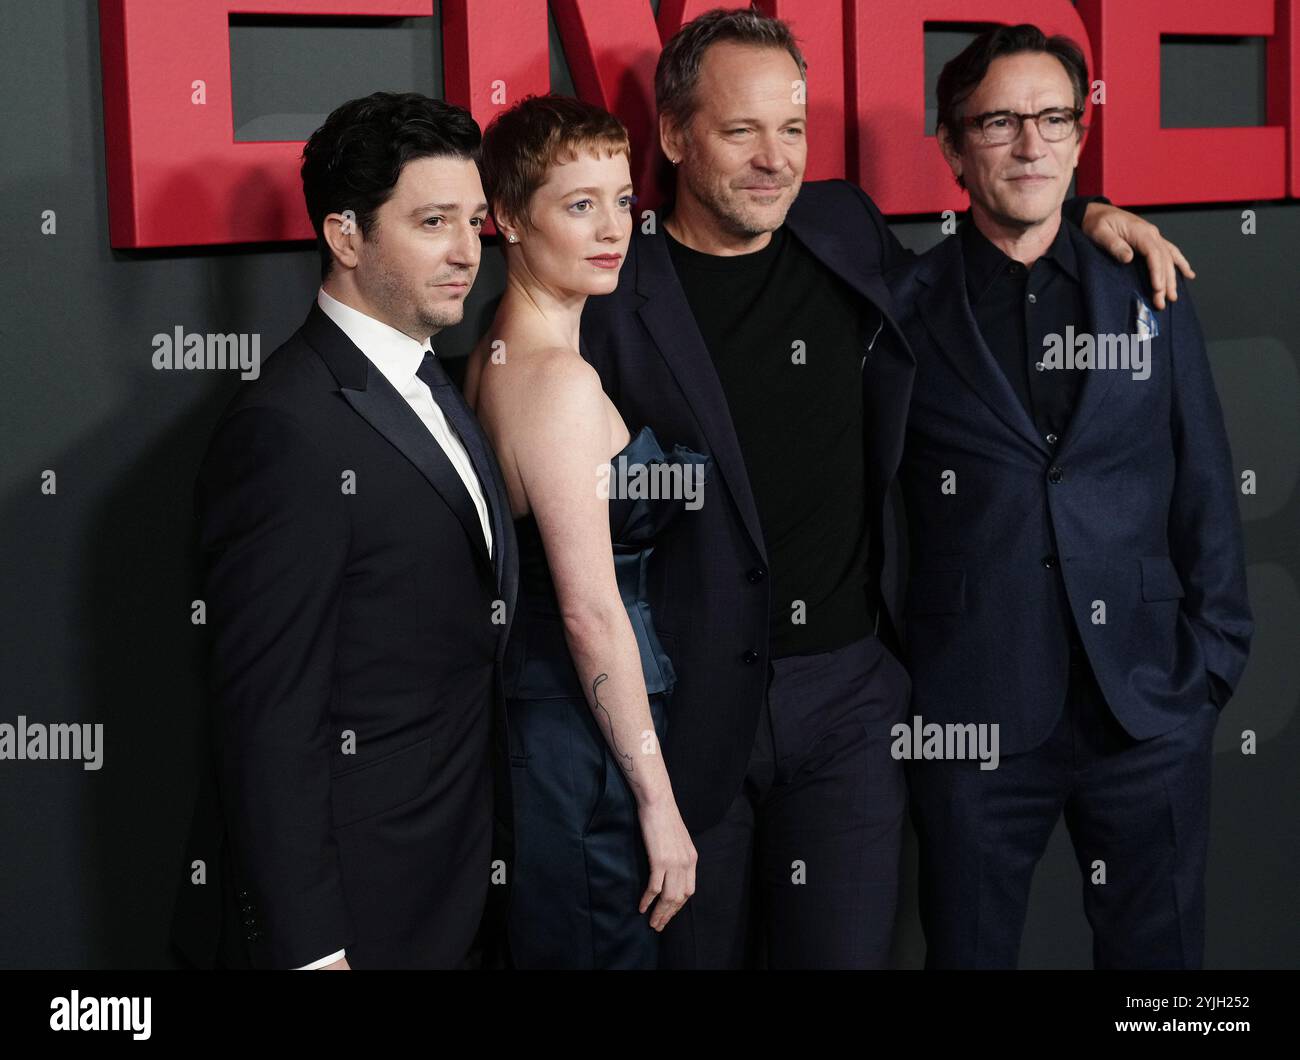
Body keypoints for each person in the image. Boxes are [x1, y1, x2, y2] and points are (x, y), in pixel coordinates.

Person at [578, 6, 1194, 968]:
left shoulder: (841, 227)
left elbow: (994, 244)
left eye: (792, 129)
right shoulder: (611, 293)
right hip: (686, 711)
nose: (774, 158)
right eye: (741, 131)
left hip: (851, 701)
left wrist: (1087, 212)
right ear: (671, 135)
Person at [888, 24, 1252, 967]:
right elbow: (879, 516)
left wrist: (1210, 665)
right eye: (1000, 120)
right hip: (972, 713)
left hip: (1148, 705)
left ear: (1081, 139)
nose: (1032, 142)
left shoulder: (1148, 288)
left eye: (1055, 118)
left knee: (1165, 989)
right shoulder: (898, 311)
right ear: (953, 146)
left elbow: (1205, 484)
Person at [169, 92, 517, 969]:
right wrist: (311, 950)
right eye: (432, 221)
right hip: (361, 907)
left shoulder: (435, 375)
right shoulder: (287, 429)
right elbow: (267, 718)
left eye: (473, 220)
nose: (464, 251)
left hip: (464, 878)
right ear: (346, 236)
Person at [462, 94, 704, 968]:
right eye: (577, 204)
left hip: (555, 728)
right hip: (583, 741)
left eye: (619, 198)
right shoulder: (555, 382)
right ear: (508, 219)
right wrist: (658, 803)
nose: (613, 227)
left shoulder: (498, 353)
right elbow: (589, 613)